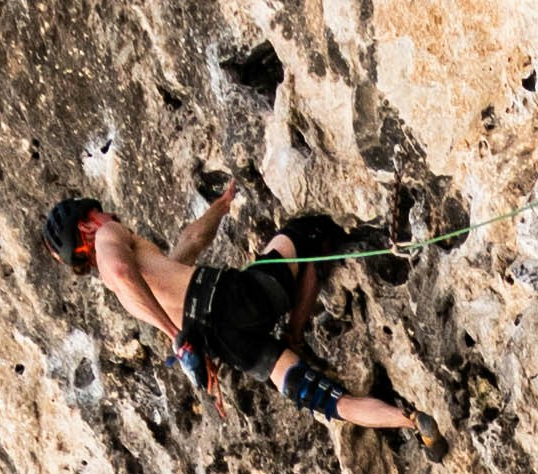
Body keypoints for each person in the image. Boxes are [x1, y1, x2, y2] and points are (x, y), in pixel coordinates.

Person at [41, 184, 443, 449]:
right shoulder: (109, 239)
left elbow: (190, 242)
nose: (107, 214)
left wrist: (221, 205)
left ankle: (409, 421)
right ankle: (296, 333)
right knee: (309, 233)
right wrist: (175, 337)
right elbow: (121, 271)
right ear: (87, 223)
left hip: (220, 341)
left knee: (323, 398)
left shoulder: (136, 290)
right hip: (230, 299)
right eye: (99, 212)